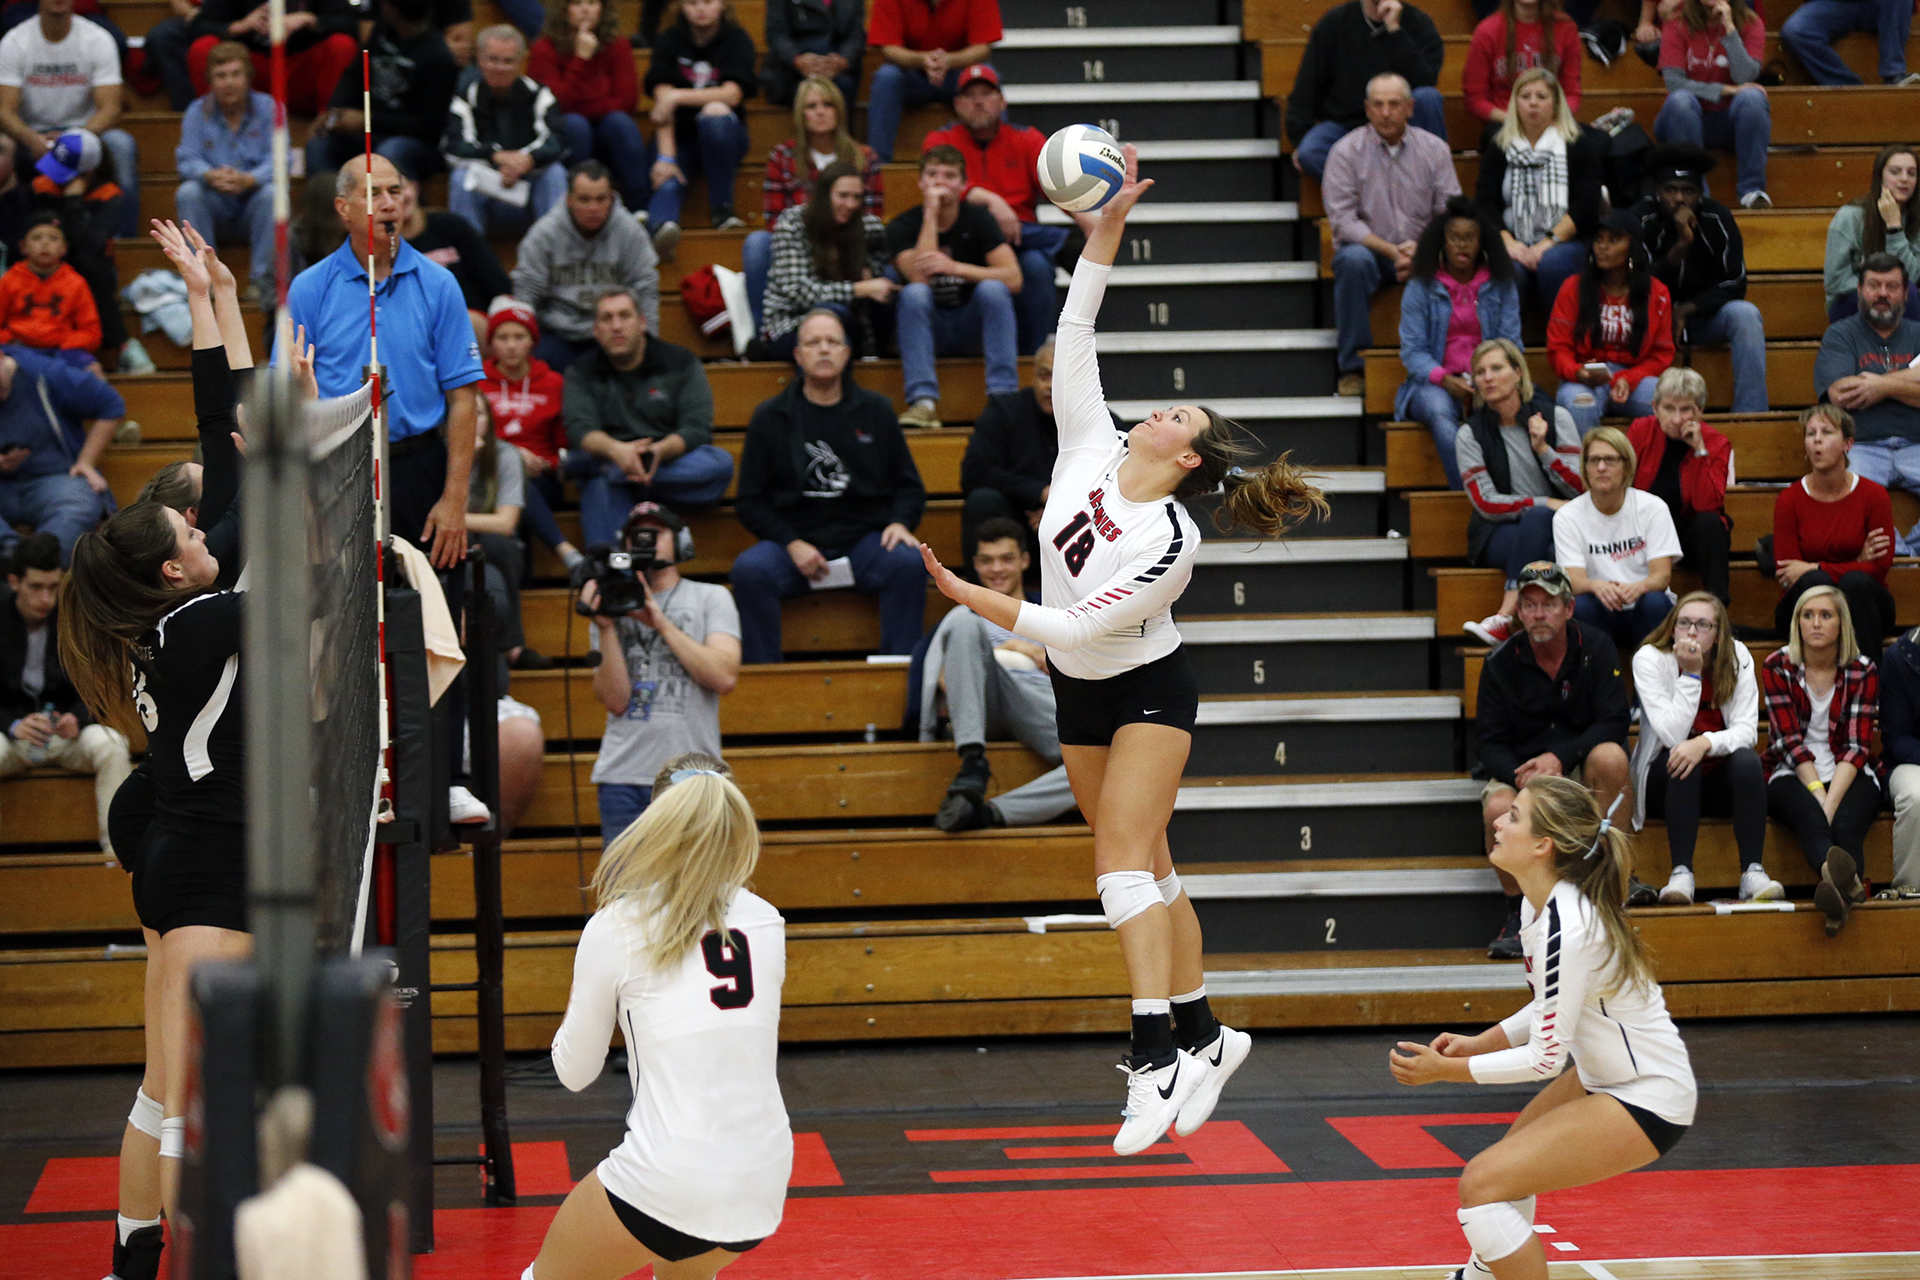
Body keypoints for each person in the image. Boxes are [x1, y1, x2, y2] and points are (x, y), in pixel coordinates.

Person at [918, 147, 1327, 1155]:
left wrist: (974, 598)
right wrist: (1109, 221)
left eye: (1178, 416)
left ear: (1185, 458)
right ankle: (1206, 1031)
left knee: (1114, 870)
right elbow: (1075, 323)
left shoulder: (1171, 542)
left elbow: (1073, 626)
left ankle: (1153, 1058)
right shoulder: (1090, 438)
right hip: (1079, 693)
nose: (1159, 408)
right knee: (1152, 865)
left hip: (1146, 690)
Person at [58, 219, 258, 1255]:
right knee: (189, 1100)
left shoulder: (180, 607)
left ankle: (132, 1254)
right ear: (177, 567)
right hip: (205, 867)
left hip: (180, 842)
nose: (201, 522)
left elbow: (228, 431)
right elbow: (261, 474)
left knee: (161, 1087)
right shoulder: (216, 615)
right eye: (187, 529)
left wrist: (214, 298)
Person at [1389, 775, 1696, 1280]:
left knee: (1482, 1185)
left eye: (1513, 816)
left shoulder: (1565, 924)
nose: (1499, 821)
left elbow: (1544, 1059)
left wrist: (1445, 1071)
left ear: (1542, 845)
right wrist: (1481, 1043)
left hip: (1648, 1096)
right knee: (1506, 1174)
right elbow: (1555, 1003)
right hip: (1607, 1078)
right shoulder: (1544, 905)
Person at [282, 154, 488, 819]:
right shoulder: (311, 290)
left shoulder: (438, 284)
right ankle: (333, 770)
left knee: (438, 619)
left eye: (397, 189)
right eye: (373, 193)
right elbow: (295, 395)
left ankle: (445, 776)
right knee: (339, 621)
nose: (389, 202)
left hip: (423, 463)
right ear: (343, 208)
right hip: (342, 463)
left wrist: (455, 498)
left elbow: (464, 398)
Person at [525, 770, 789, 1280]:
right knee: (686, 1271)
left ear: (656, 824)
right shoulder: (765, 920)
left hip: (670, 1176)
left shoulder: (618, 925)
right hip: (762, 1180)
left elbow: (574, 1072)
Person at [731, 308, 927, 663]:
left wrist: (900, 523)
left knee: (909, 563)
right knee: (749, 571)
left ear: (847, 352)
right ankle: (763, 681)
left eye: (832, 342)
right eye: (813, 342)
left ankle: (903, 681)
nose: (823, 350)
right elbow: (749, 502)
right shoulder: (770, 416)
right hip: (794, 546)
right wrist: (791, 544)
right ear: (798, 354)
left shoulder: (877, 411)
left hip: (864, 542)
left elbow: (909, 487)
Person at [1472, 561, 1630, 960]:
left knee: (1611, 758)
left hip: (1575, 762)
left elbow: (1614, 721)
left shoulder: (1597, 647)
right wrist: (1520, 776)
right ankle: (1516, 911)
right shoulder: (1498, 664)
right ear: (1518, 612)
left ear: (1569, 608)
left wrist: (1560, 756)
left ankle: (1618, 884)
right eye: (1528, 605)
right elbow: (1488, 745)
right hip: (1522, 772)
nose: (1538, 614)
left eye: (1549, 604)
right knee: (1497, 806)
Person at [580, 503, 740, 844]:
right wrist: (606, 628)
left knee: (695, 890)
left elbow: (724, 677)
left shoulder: (711, 597)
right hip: (623, 774)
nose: (645, 541)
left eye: (656, 532)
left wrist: (661, 622)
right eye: (636, 534)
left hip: (695, 775)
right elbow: (615, 700)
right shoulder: (611, 604)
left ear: (680, 541)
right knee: (625, 895)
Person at [923, 64, 1096, 355]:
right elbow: (934, 182)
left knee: (1038, 267)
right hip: (968, 238)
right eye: (970, 96)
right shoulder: (940, 140)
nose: (978, 101)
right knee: (1050, 244)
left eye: (986, 94)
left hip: (1018, 238)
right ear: (957, 105)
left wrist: (1088, 220)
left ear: (1002, 101)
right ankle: (1060, 243)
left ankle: (1031, 356)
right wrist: (988, 199)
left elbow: (1056, 184)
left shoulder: (1026, 138)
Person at [919, 516, 1077, 832]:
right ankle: (974, 762)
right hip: (982, 704)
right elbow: (943, 681)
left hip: (1039, 706)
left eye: (1006, 558)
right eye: (987, 561)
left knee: (1109, 765)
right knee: (965, 622)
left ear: (1025, 561)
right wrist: (1019, 651)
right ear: (976, 565)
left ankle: (991, 813)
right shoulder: (962, 618)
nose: (997, 569)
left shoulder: (1053, 615)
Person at [1631, 591, 1778, 905]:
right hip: (1666, 779)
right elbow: (1671, 734)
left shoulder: (1738, 656)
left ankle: (1752, 871)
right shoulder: (1650, 658)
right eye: (1684, 623)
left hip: (1720, 781)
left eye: (1703, 625)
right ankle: (1681, 872)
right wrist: (1691, 673)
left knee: (1748, 761)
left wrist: (1705, 742)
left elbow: (1747, 731)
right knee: (1682, 756)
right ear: (1672, 628)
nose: (1692, 632)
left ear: (1718, 632)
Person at [1324, 73, 1460, 400]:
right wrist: (1392, 251)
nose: (1386, 112)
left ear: (1410, 108)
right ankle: (1354, 369)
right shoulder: (1345, 152)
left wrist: (1424, 252)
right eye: (1379, 105)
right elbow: (1342, 221)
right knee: (1351, 260)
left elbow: (1450, 214)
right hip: (1373, 253)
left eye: (1394, 104)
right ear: (1368, 110)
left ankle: (1456, 362)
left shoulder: (1435, 150)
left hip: (1426, 252)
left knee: (1464, 253)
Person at [564, 286, 733, 548]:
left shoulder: (680, 361)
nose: (616, 326)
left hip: (669, 466)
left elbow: (697, 428)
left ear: (642, 322)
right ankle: (615, 572)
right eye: (607, 319)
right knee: (599, 495)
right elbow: (579, 429)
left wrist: (656, 453)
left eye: (624, 316)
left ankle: (608, 471)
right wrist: (617, 452)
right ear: (595, 330)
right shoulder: (581, 371)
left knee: (719, 464)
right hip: (614, 462)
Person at [0, 530, 130, 853]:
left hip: (63, 733)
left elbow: (93, 687)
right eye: (36, 588)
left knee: (113, 746)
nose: (46, 599)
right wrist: (14, 724)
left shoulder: (73, 617)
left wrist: (77, 717)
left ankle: (119, 859)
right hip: (11, 734)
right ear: (14, 581)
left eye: (53, 588)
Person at [1762, 585, 1881, 936]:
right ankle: (1843, 884)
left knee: (1846, 828)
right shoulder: (1777, 665)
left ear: (1841, 624)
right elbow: (1789, 742)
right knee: (1813, 822)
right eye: (1807, 615)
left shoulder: (1862, 669)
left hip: (1850, 770)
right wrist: (1818, 795)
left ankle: (1837, 901)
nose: (1815, 623)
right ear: (1797, 623)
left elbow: (1858, 746)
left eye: (1825, 615)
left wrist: (1830, 800)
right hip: (1791, 770)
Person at [1457, 338, 1584, 646]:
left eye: (1497, 368)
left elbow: (1582, 487)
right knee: (1540, 522)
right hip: (1499, 533)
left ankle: (1523, 628)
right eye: (1480, 371)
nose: (1487, 377)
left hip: (1560, 528)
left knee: (1553, 553)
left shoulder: (1555, 418)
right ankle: (1507, 617)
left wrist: (1544, 450)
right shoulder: (1469, 433)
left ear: (1518, 374)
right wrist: (1544, 503)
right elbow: (1486, 503)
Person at [885, 143, 1021, 429]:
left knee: (994, 289)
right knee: (915, 294)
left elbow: (1013, 278)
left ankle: (1003, 397)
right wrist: (931, 215)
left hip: (972, 326)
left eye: (949, 175)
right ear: (921, 182)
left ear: (961, 184)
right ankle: (923, 403)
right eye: (932, 174)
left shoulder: (979, 219)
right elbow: (920, 276)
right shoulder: (902, 226)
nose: (939, 182)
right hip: (927, 330)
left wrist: (956, 268)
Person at [1396, 197, 1523, 489]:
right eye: (1454, 238)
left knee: (1511, 409)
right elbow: (1413, 352)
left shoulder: (1501, 283)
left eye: (1469, 238)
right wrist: (1444, 378)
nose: (1462, 245)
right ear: (1442, 242)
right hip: (1434, 382)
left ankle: (1510, 489)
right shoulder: (1421, 286)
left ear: (1483, 242)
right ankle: (1468, 495)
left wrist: (1486, 376)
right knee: (1441, 415)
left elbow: (1511, 343)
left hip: (1487, 377)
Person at [1629, 153, 1767, 418]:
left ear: (1700, 195)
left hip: (1704, 317)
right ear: (1657, 193)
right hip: (1652, 320)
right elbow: (1638, 280)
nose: (1680, 198)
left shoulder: (1718, 218)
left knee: (1745, 314)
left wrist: (1687, 309)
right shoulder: (1642, 218)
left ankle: (1751, 416)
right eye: (1671, 190)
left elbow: (1735, 282)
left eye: (1688, 191)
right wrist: (1681, 245)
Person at [745, 74, 883, 324]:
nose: (820, 112)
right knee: (757, 243)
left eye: (827, 105)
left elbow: (872, 219)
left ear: (839, 111)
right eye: (811, 106)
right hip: (797, 247)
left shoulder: (864, 157)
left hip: (847, 245)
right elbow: (774, 221)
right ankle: (760, 334)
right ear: (801, 114)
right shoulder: (783, 156)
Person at [0, 0, 137, 236]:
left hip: (86, 132)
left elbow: (111, 108)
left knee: (121, 144)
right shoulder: (14, 41)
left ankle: (121, 241)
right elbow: (5, 111)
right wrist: (33, 139)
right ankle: (14, 244)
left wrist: (75, 138)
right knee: (3, 147)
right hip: (33, 134)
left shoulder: (97, 39)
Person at [1770, 404, 1897, 658]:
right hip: (1804, 604)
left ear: (1847, 443)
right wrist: (1856, 561)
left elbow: (1880, 566)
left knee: (1855, 582)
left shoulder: (1874, 495)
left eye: (1826, 432)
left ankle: (1869, 685)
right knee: (1815, 583)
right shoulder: (1789, 499)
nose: (1817, 440)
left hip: (1866, 603)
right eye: (1810, 433)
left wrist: (1817, 567)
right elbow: (1788, 573)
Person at [1475, 68, 1605, 312]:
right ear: (1515, 104)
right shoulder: (1499, 145)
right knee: (1508, 269)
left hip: (1565, 242)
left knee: (1554, 263)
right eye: (1525, 96)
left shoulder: (1577, 144)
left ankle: (1559, 341)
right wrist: (1510, 244)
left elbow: (1586, 205)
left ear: (1555, 104)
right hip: (1512, 240)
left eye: (1541, 97)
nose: (1533, 103)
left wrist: (1546, 244)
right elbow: (1485, 203)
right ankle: (1506, 346)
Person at [1814, 253, 1920, 548]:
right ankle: (1901, 555)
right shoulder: (1841, 335)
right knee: (1850, 501)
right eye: (1874, 285)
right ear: (1860, 290)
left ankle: (1910, 551)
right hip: (1863, 445)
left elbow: (1863, 386)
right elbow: (1841, 394)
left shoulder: (1918, 334)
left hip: (1917, 444)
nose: (1883, 294)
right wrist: (1911, 379)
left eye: (1892, 286)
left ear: (1905, 293)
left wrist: (1881, 386)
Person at [513, 160, 660, 372]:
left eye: (601, 199)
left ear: (611, 198)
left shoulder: (630, 231)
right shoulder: (544, 234)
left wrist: (649, 341)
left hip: (611, 331)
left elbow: (645, 287)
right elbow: (526, 293)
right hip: (556, 333)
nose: (593, 208)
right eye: (584, 200)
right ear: (569, 199)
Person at [642, 0, 757, 254]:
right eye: (692, 2)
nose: (700, 9)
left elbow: (732, 95)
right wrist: (666, 157)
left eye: (708, 1)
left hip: (724, 138)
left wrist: (677, 97)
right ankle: (661, 228)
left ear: (723, 5)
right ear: (681, 6)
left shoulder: (737, 39)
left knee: (715, 114)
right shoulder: (669, 40)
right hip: (677, 136)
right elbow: (662, 104)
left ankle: (722, 210)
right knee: (668, 178)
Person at [1284, 0, 1446, 180]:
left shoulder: (1419, 23)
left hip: (1402, 127)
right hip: (1348, 126)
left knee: (1428, 98)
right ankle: (1380, 194)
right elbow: (1308, 83)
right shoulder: (1335, 23)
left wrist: (1395, 31)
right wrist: (1299, 138)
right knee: (1311, 152)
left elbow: (1425, 80)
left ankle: (1426, 189)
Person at [752, 160, 893, 363]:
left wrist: (874, 268)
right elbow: (798, 292)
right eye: (843, 196)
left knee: (888, 281)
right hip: (793, 322)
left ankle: (876, 356)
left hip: (848, 325)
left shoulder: (867, 228)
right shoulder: (793, 223)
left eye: (857, 197)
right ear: (824, 195)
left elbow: (889, 246)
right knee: (833, 315)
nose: (851, 204)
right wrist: (859, 289)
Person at [1554, 426, 1680, 652]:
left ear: (1626, 466)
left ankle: (1651, 685)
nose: (1601, 467)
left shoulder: (1653, 508)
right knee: (1579, 605)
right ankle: (1599, 684)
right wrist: (1596, 585)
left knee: (1655, 601)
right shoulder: (1567, 516)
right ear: (1585, 468)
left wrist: (1639, 587)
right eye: (1594, 461)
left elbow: (1661, 576)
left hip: (1643, 606)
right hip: (1599, 609)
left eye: (1610, 460)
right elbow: (1573, 580)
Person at [1547, 212, 1675, 432]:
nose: (1602, 246)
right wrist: (1577, 372)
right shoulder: (1572, 288)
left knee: (1672, 403)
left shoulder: (1657, 293)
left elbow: (1661, 354)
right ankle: (1587, 466)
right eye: (1598, 239)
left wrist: (1628, 377)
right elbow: (1558, 348)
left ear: (1632, 247)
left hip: (1635, 377)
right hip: (1585, 377)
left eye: (1613, 240)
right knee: (1579, 404)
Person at [304, 0, 459, 180]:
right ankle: (330, 204)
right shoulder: (381, 35)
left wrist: (367, 121)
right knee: (320, 144)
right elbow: (355, 74)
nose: (380, 8)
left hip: (416, 144)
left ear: (395, 11)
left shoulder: (438, 57)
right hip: (370, 132)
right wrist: (335, 111)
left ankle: (395, 205)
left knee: (390, 152)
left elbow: (428, 126)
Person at [479, 296, 581, 572]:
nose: (511, 345)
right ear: (491, 342)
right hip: (487, 476)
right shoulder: (476, 382)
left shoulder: (554, 383)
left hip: (541, 479)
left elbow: (565, 444)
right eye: (502, 337)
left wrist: (547, 463)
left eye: (519, 336)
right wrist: (512, 456)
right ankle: (564, 549)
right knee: (513, 480)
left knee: (522, 488)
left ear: (532, 341)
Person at [0, 341, 123, 565]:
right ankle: (13, 561)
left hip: (53, 479)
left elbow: (112, 404)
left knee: (79, 504)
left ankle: (42, 564)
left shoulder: (45, 373)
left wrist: (85, 462)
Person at [442, 25, 568, 236]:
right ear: (479, 60)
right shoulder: (464, 97)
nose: (500, 67)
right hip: (486, 185)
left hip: (530, 183)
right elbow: (453, 148)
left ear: (520, 62)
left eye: (508, 61)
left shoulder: (540, 94)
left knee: (555, 174)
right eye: (493, 59)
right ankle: (469, 261)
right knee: (460, 178)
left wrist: (526, 160)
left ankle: (556, 259)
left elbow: (556, 142)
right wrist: (496, 156)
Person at [174, 41, 274, 305]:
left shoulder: (269, 109)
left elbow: (281, 160)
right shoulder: (197, 112)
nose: (229, 82)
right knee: (189, 191)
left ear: (248, 77)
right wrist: (210, 175)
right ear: (210, 80)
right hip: (214, 208)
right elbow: (186, 160)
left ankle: (261, 282)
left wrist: (250, 179)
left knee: (273, 193)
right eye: (221, 76)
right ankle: (203, 279)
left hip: (253, 207)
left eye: (235, 74)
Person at [1626, 367, 1733, 605]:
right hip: (1644, 532)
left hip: (1688, 537)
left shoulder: (1716, 443)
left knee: (1711, 524)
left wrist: (1699, 450)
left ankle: (1718, 607)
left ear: (1700, 411)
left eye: (1685, 410)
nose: (1676, 419)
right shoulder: (1641, 430)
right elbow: (1624, 487)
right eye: (1668, 408)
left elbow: (1708, 505)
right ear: (1655, 408)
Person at [529, 0, 644, 213]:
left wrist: (581, 103)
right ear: (564, 10)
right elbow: (552, 105)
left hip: (606, 132)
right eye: (577, 3)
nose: (585, 9)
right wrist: (580, 59)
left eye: (592, 2)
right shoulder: (544, 48)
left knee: (620, 123)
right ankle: (578, 205)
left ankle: (640, 209)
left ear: (602, 9)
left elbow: (628, 101)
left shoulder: (618, 45)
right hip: (567, 135)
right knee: (576, 125)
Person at [1654, 0, 1771, 208]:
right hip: (1682, 120)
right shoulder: (1676, 23)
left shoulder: (1751, 24)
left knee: (1753, 98)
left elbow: (1745, 76)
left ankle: (1752, 191)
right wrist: (1727, 90)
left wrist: (1730, 28)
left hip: (1729, 122)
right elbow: (1674, 83)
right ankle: (1697, 194)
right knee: (1681, 100)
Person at [863, 0, 999, 163]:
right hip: (911, 76)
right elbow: (888, 48)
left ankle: (997, 160)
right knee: (886, 77)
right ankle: (877, 166)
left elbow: (983, 47)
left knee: (985, 77)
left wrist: (948, 60)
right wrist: (923, 60)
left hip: (957, 74)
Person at [465, 397, 540, 669]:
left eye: (480, 414)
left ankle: (512, 643)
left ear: (490, 421)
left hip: (494, 542)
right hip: (455, 539)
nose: (473, 421)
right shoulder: (437, 457)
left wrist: (455, 519)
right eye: (466, 414)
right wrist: (462, 463)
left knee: (498, 545)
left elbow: (507, 523)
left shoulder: (505, 454)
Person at [399, 176, 514, 349]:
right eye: (388, 193)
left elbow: (497, 284)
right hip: (414, 324)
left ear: (414, 187)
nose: (399, 198)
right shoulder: (382, 244)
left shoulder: (452, 225)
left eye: (400, 188)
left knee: (468, 324)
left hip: (470, 316)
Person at [182, 0, 356, 113]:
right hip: (253, 72)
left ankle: (330, 123)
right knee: (203, 48)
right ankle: (213, 123)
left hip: (303, 72)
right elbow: (198, 26)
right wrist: (241, 25)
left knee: (342, 45)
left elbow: (350, 25)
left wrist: (310, 19)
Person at [1824, 144, 1920, 321]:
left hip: (1903, 301)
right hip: (1852, 300)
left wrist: (1894, 228)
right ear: (1880, 177)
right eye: (1895, 172)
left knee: (1911, 294)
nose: (1904, 179)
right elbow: (1835, 281)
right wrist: (1879, 288)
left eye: (1911, 173)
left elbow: (1912, 278)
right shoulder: (1851, 216)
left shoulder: (1917, 221)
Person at [1461, 0, 1581, 136]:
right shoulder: (1487, 30)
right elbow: (1474, 99)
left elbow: (1572, 93)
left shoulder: (1565, 28)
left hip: (1553, 123)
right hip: (1505, 124)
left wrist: (1553, 120)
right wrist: (1513, 120)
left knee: (1592, 141)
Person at [0, 211, 100, 371]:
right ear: (23, 247)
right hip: (16, 348)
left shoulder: (76, 282)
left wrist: (63, 342)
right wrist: (10, 339)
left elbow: (91, 332)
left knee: (93, 370)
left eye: (53, 238)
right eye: (36, 238)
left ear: (64, 248)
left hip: (62, 349)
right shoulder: (9, 280)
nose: (45, 243)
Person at [1781, 0, 1919, 87]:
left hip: (1879, 6)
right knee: (1795, 30)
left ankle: (1894, 75)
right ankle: (1849, 86)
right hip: (1832, 5)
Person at [1876, 622, 1920, 890]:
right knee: (1917, 798)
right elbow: (1896, 738)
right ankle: (1911, 895)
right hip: (1909, 760)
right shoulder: (1901, 656)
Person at [761, 0, 864, 107]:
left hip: (838, 72)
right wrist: (797, 60)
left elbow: (856, 36)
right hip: (791, 72)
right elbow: (777, 35)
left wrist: (843, 60)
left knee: (843, 86)